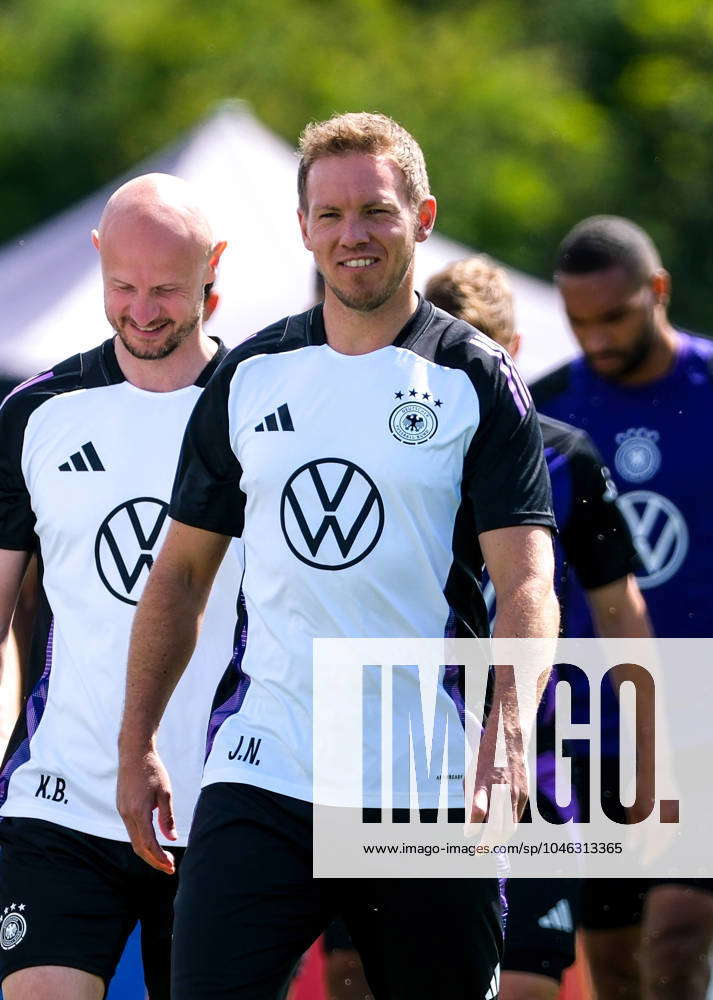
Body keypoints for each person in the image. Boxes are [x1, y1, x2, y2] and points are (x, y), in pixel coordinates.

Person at [117, 111, 559, 1000]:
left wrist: (504, 742)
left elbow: (526, 584)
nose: (351, 234)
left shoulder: (475, 380)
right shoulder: (250, 377)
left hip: (424, 779)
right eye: (330, 214)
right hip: (265, 766)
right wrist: (136, 743)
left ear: (421, 217)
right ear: (303, 228)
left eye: (376, 212)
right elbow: (181, 574)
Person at [0, 173, 241, 1000]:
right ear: (98, 258)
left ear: (215, 268)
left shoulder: (263, 405)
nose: (142, 311)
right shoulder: (36, 414)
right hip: (61, 801)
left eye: (168, 290)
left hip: (226, 810)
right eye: (123, 287)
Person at [424, 255, 653, 1000]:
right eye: (447, 356)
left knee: (526, 984)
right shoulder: (390, 455)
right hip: (400, 758)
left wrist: (656, 753)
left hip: (536, 767)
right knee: (368, 978)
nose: (470, 377)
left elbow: (619, 612)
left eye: (482, 354)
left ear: (513, 349)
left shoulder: (565, 456)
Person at [533, 215, 713, 1000]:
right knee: (612, 966)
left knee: (673, 941)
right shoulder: (548, 409)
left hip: (698, 720)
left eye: (615, 317)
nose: (596, 339)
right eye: (579, 322)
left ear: (658, 291)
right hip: (591, 722)